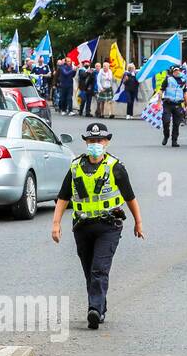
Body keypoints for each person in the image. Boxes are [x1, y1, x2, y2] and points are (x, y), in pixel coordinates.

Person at [50, 123, 145, 329]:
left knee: (99, 269)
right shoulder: (75, 167)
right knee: (89, 270)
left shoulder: (115, 167)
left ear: (107, 142)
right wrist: (56, 224)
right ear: (86, 142)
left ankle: (94, 309)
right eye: (92, 141)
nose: (95, 144)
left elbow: (130, 197)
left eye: (99, 141)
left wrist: (138, 222)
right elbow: (63, 197)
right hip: (82, 226)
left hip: (109, 225)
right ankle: (99, 306)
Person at [160, 65, 187, 147]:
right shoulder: (168, 79)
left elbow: (185, 93)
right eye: (175, 70)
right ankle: (166, 135)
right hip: (168, 103)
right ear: (173, 71)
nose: (177, 72)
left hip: (178, 104)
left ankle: (174, 140)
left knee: (176, 123)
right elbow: (161, 90)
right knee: (166, 121)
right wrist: (158, 102)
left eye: (178, 70)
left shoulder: (183, 80)